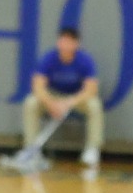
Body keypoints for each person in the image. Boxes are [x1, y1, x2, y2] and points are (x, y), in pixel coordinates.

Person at [15, 25, 103, 175]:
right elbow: (38, 86)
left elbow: (91, 89)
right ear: (58, 42)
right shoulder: (48, 59)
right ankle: (32, 149)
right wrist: (51, 104)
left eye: (70, 42)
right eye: (63, 41)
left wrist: (68, 103)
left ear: (76, 44)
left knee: (94, 105)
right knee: (31, 103)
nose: (66, 45)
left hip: (75, 98)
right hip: (53, 96)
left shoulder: (85, 61)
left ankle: (92, 149)